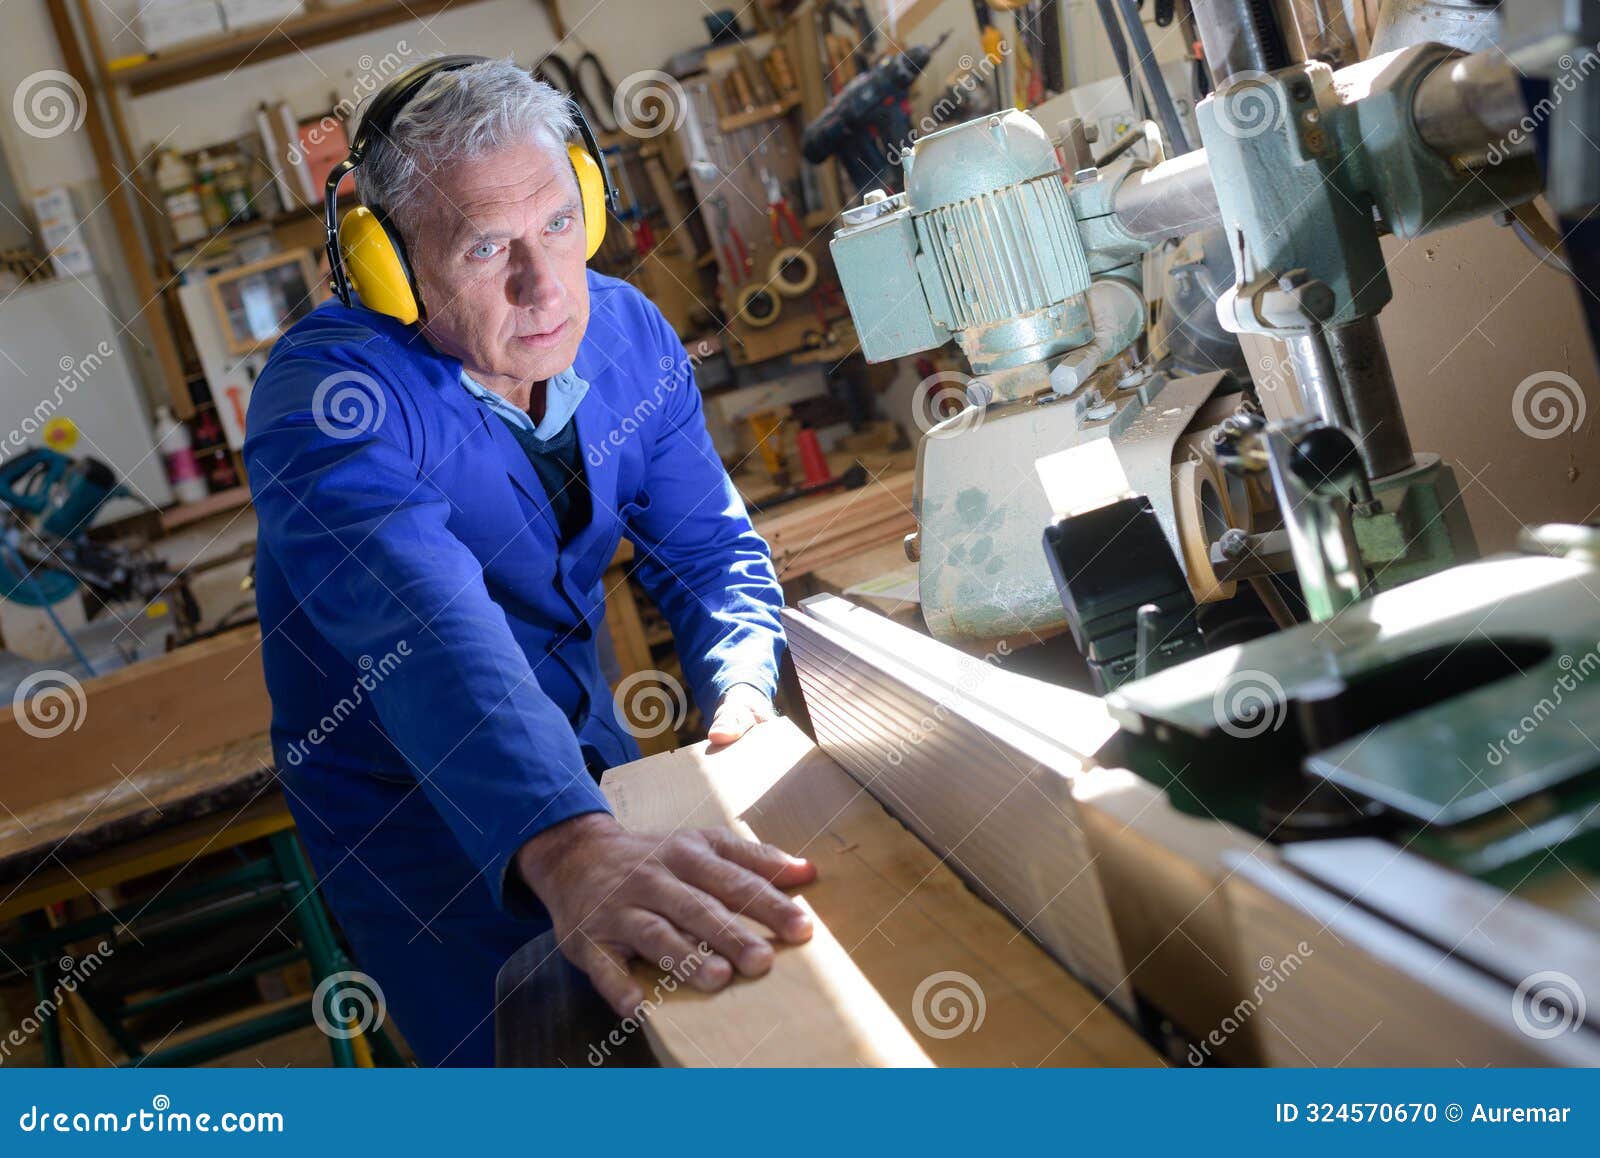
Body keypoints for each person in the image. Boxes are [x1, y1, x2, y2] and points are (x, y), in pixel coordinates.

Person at [244, 57, 814, 1066]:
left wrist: (743, 694)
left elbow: (709, 548)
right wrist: (568, 844)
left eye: (559, 223)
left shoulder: (628, 334)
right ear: (386, 263)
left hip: (597, 779)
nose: (545, 284)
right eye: (483, 247)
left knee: (680, 1053)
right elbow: (425, 628)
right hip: (421, 834)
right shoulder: (327, 400)